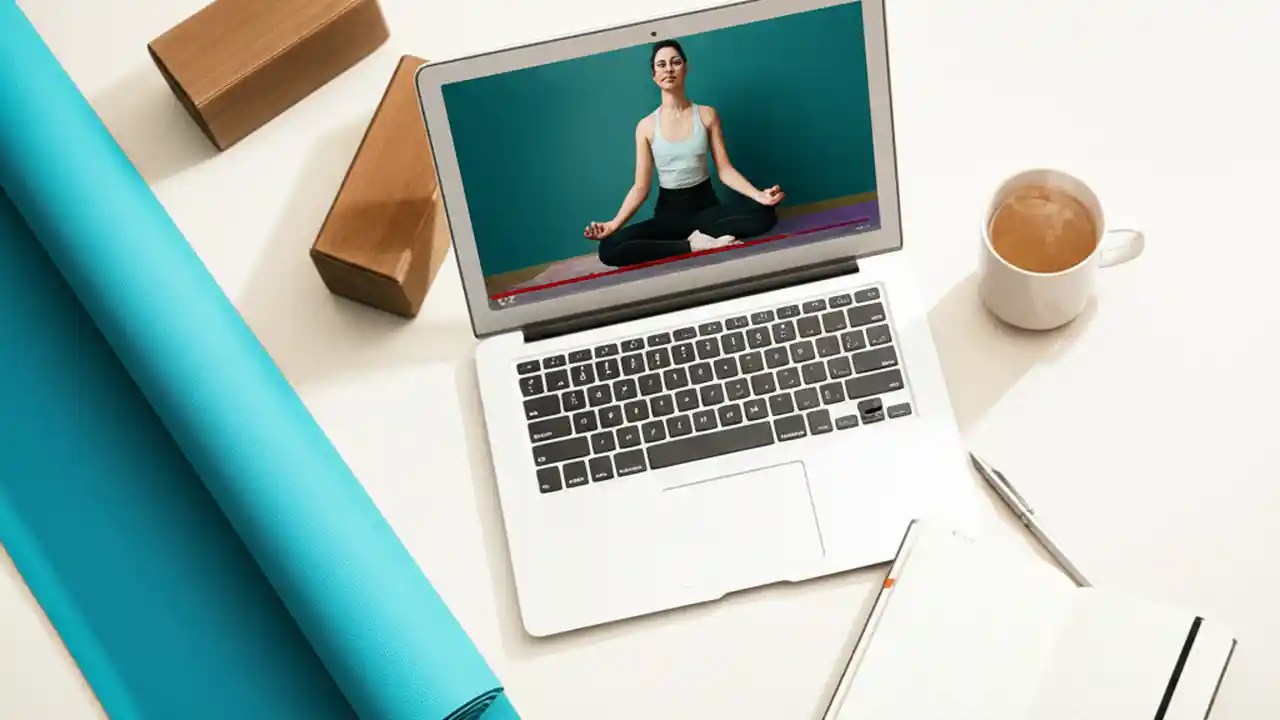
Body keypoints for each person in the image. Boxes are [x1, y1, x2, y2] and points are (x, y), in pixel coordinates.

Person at [585, 40, 785, 267]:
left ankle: (697, 240)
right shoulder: (646, 127)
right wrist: (613, 224)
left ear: (685, 68)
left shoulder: (707, 115)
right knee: (608, 249)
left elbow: (725, 170)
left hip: (707, 211)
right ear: (654, 75)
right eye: (661, 65)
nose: (669, 69)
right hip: (670, 217)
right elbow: (641, 187)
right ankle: (693, 245)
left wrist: (759, 196)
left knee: (766, 214)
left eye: (675, 62)